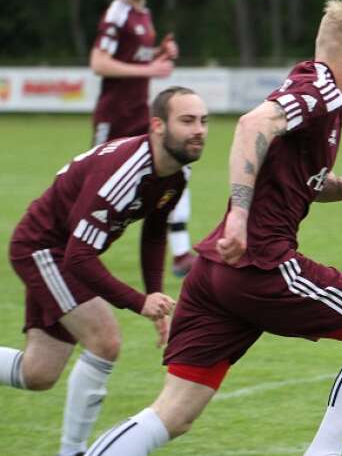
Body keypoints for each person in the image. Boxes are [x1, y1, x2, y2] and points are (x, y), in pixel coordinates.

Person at [84, 0, 342, 456]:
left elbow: (296, 178)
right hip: (260, 263)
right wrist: (239, 213)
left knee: (173, 414)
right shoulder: (321, 89)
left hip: (217, 271)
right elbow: (252, 125)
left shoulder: (317, 92)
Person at [1, 87, 207, 456]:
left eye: (203, 121)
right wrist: (137, 302)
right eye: (187, 120)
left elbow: (155, 233)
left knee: (38, 373)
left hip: (65, 251)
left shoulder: (177, 174)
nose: (200, 130)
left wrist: (155, 298)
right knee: (105, 340)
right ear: (158, 126)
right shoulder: (126, 173)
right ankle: (74, 451)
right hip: (45, 249)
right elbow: (78, 258)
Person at [90, 0, 196, 276]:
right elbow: (99, 62)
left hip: (141, 115)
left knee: (178, 169)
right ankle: (67, 244)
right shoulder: (116, 15)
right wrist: (151, 67)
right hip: (114, 118)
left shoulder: (143, 15)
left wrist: (159, 53)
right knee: (96, 188)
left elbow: (131, 57)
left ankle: (180, 254)